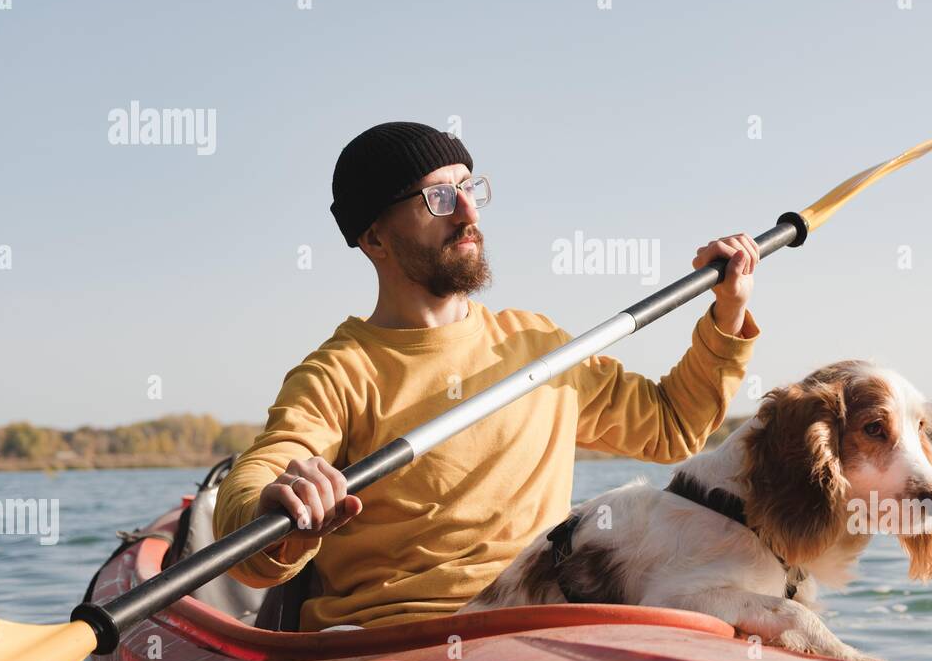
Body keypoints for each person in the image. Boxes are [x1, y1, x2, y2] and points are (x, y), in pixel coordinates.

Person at [212, 121, 761, 631]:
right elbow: (257, 487)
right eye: (440, 197)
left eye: (470, 188)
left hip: (537, 621)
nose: (469, 213)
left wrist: (727, 313)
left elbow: (670, 426)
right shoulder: (339, 372)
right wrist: (276, 503)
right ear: (375, 238)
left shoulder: (538, 344)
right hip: (393, 641)